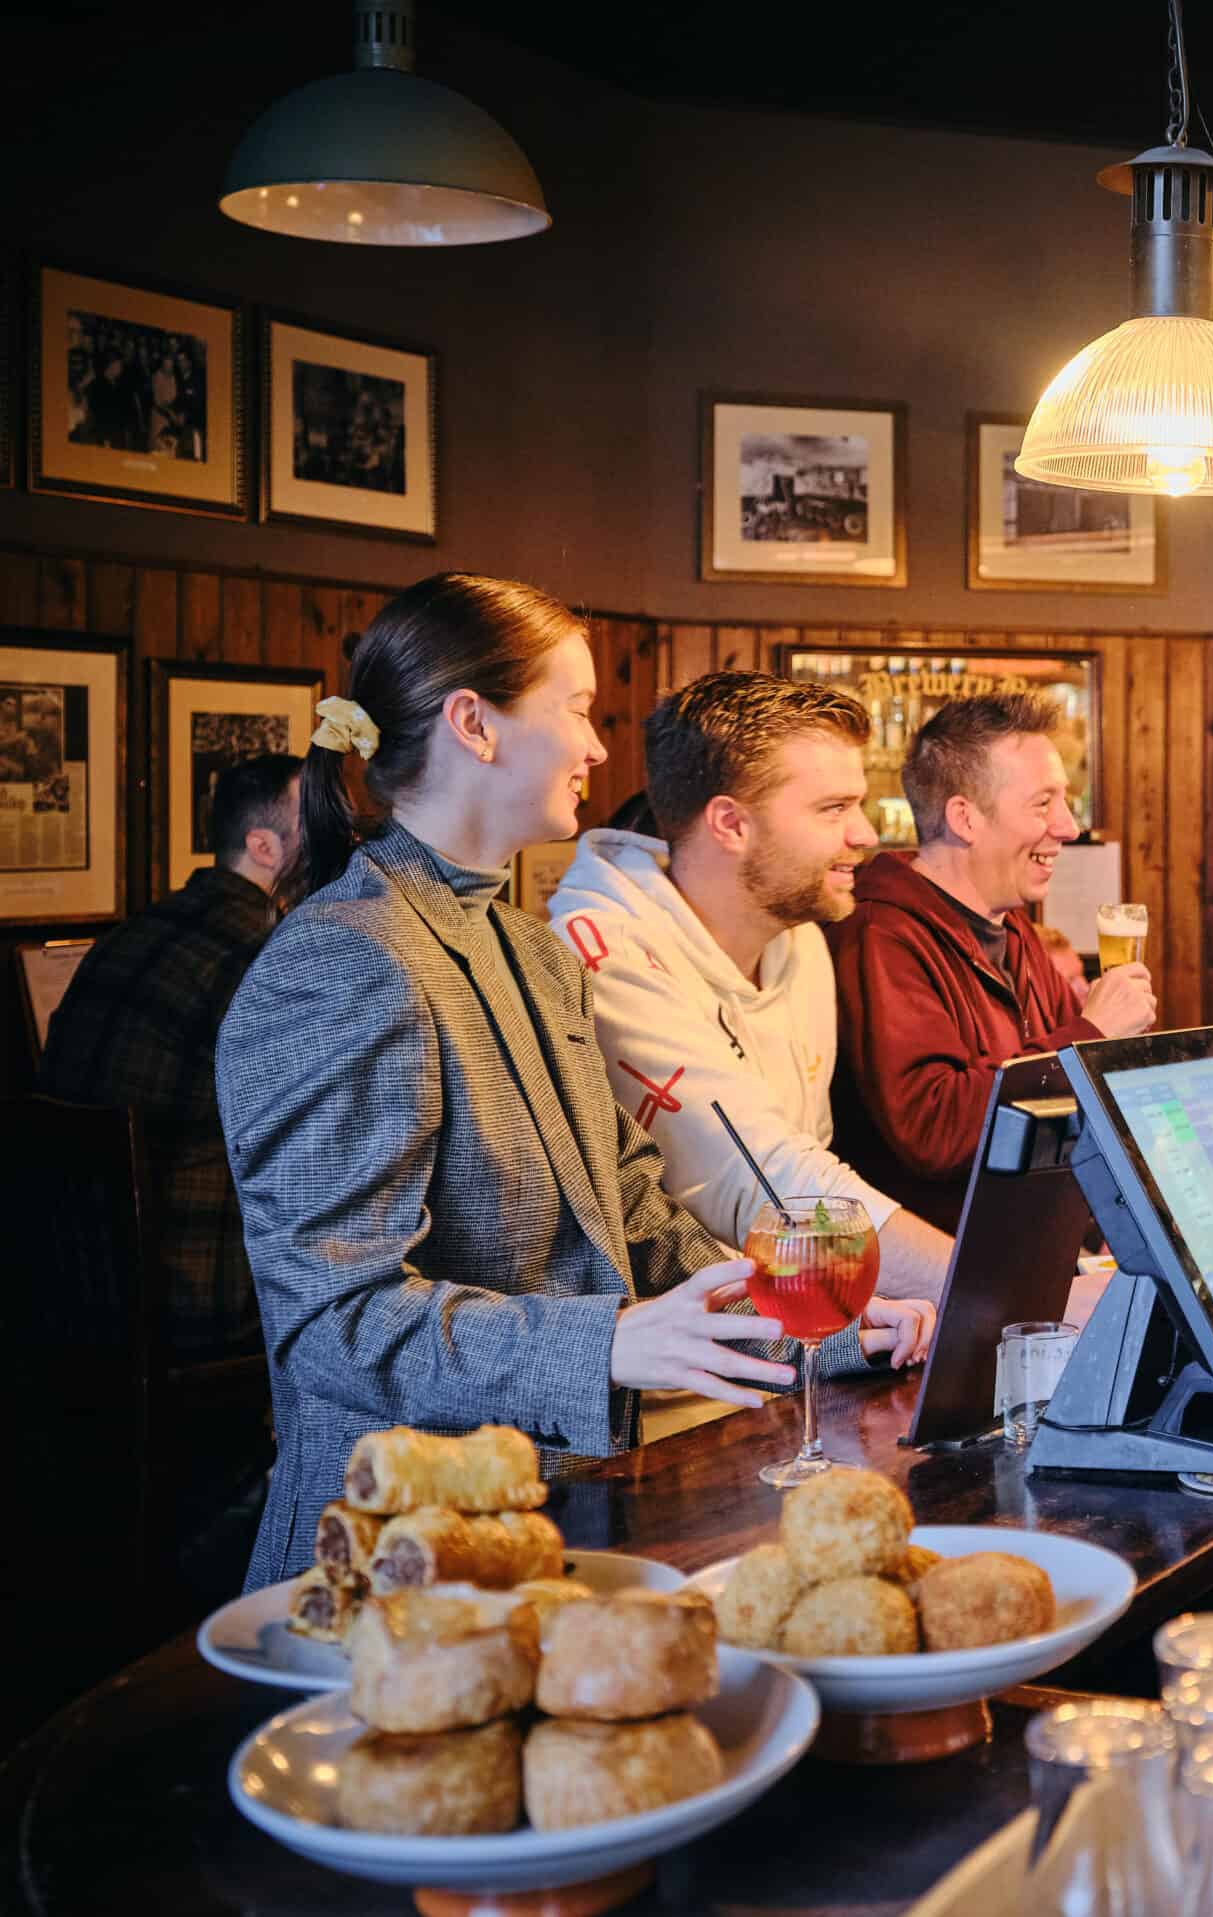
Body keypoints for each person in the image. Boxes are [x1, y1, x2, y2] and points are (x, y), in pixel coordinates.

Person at [218, 573, 796, 1590]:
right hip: (390, 1568)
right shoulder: (343, 961)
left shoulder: (532, 953)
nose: (600, 749)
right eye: (576, 710)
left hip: (552, 1525)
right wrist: (608, 1342)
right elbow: (332, 1324)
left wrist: (814, 1323)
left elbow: (631, 1215)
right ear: (474, 725)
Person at [544, 671, 941, 1373]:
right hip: (656, 1390)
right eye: (832, 807)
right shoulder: (601, 951)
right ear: (730, 823)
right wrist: (996, 1289)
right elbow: (764, 1181)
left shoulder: (797, 935)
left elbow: (806, 1178)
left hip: (785, 1352)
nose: (865, 832)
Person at [40, 752, 302, 1600]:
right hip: (194, 1318)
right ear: (264, 845)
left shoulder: (138, 932)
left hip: (66, 1297)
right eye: (317, 814)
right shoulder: (266, 960)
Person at [830, 692, 1156, 1232]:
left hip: (1033, 1260)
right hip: (933, 1291)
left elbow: (1076, 1114)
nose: (1068, 827)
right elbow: (933, 1131)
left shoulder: (1015, 930)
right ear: (965, 818)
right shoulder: (880, 934)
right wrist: (1089, 1034)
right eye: (1042, 804)